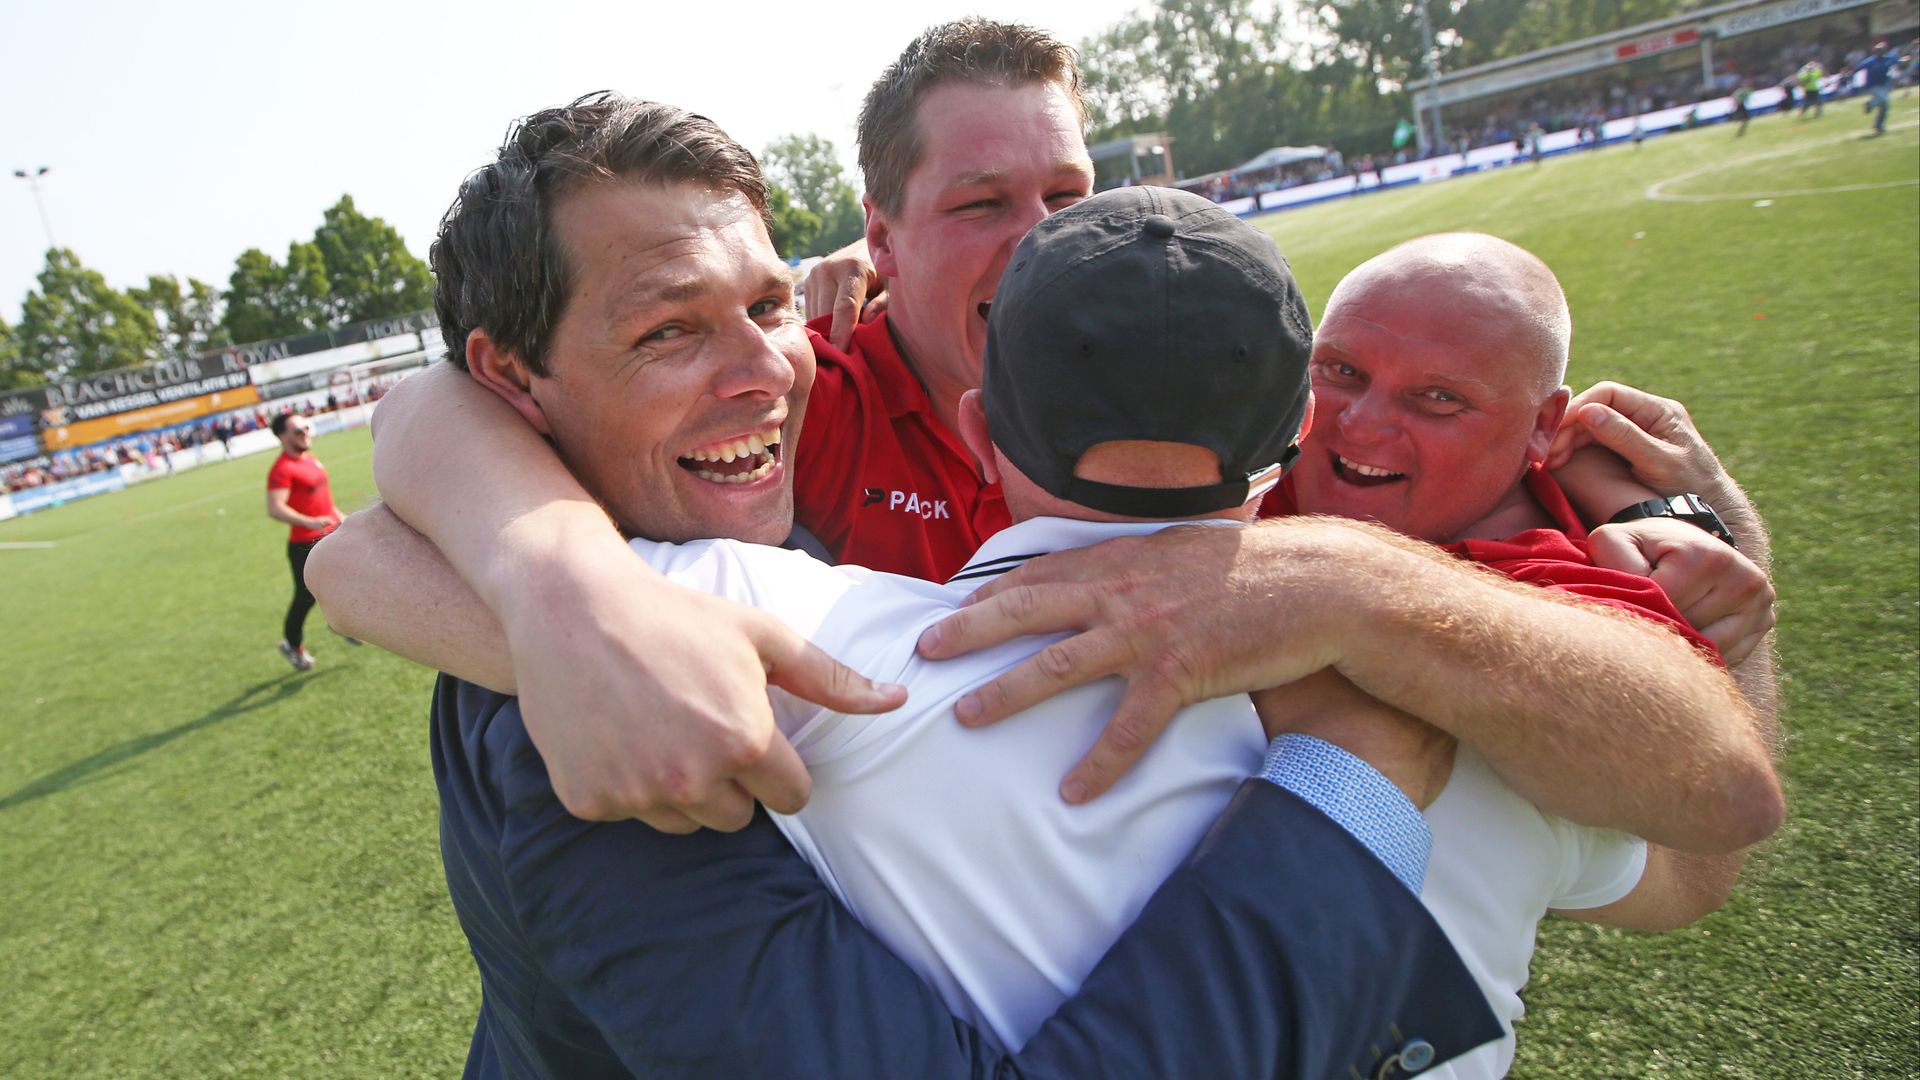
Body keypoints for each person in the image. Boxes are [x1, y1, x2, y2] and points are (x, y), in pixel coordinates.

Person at [311, 93, 1506, 1078]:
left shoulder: (730, 558)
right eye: (670, 331)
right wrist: (1353, 782)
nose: (766, 372)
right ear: (510, 378)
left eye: (771, 305)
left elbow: (379, 501)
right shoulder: (588, 707)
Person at [348, 19, 1779, 838]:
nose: (1048, 245)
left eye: (1070, 194)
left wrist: (1359, 590)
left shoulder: (1249, 413)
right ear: (881, 239)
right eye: (981, 204)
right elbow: (392, 488)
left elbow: (1705, 822)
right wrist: (562, 595)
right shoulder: (807, 407)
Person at [1264, 232, 1776, 1078]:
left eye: (1435, 399)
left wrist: (1711, 534)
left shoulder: (1584, 604)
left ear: (1543, 429)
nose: (1360, 422)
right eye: (1341, 370)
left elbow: (1703, 842)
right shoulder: (1250, 452)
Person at [263, 412, 347, 671]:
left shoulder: (310, 459)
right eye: (298, 431)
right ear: (282, 436)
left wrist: (340, 516)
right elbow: (274, 508)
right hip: (304, 544)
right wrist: (307, 521)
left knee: (347, 578)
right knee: (305, 598)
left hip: (329, 534)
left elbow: (323, 499)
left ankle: (344, 623)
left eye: (306, 427)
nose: (305, 433)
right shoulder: (282, 469)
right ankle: (292, 644)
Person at [1841, 41, 1902, 134]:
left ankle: (1878, 124)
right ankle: (1870, 105)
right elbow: (1857, 68)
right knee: (1883, 101)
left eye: (1882, 50)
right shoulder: (1870, 61)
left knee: (1884, 106)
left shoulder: (1889, 58)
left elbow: (1898, 62)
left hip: (1884, 84)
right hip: (1873, 85)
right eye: (1879, 50)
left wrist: (1907, 60)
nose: (1881, 52)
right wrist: (1848, 73)